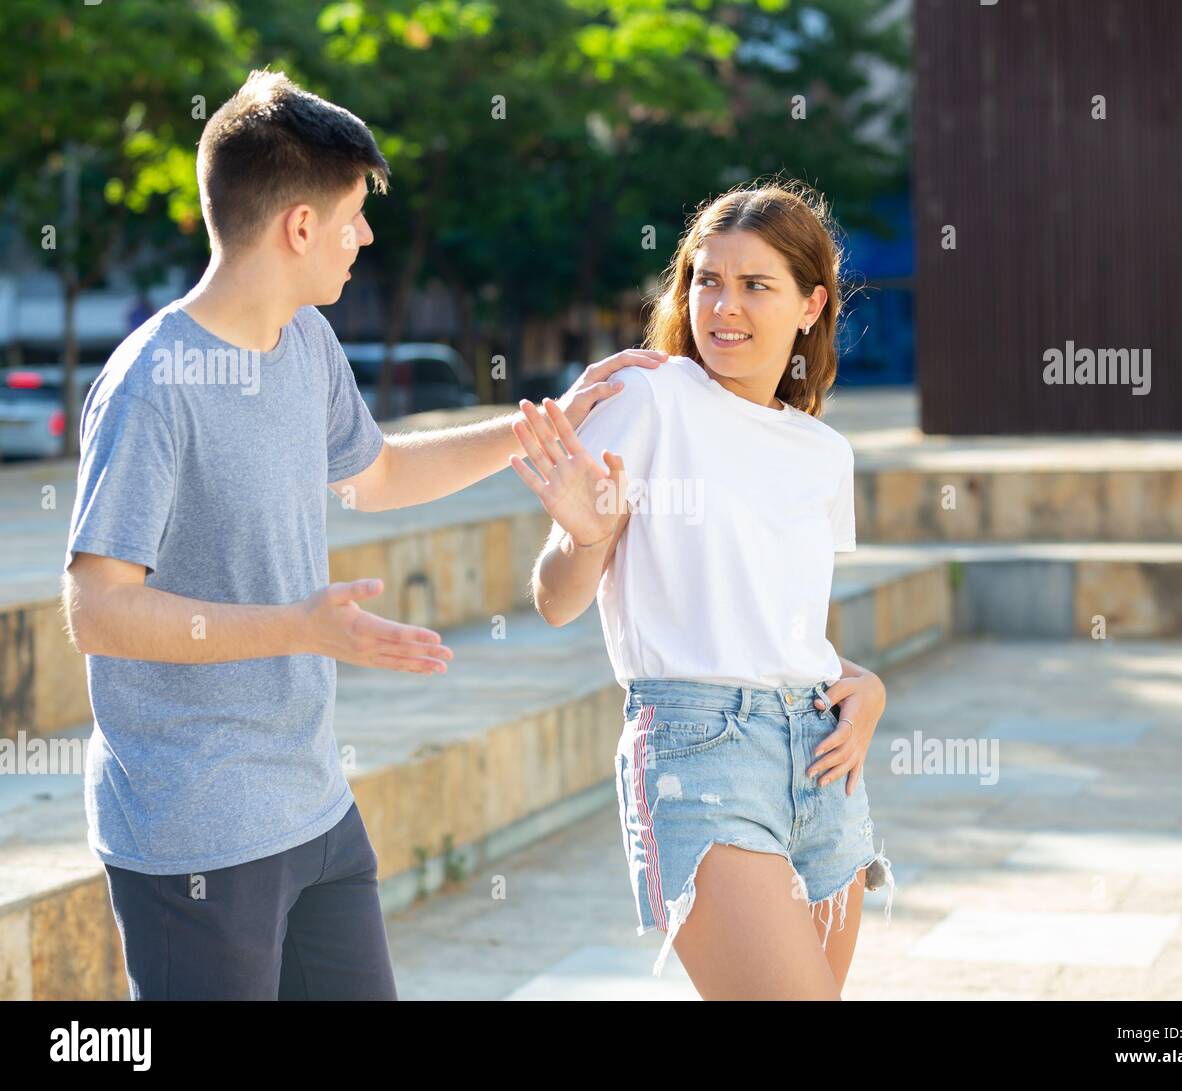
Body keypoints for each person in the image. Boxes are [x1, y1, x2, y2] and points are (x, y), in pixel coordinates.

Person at [60, 68, 665, 1000]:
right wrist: (299, 626)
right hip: (195, 831)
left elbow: (375, 472)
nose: (366, 236)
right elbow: (97, 609)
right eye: (353, 217)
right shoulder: (154, 384)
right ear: (300, 226)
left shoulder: (304, 340)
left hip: (314, 808)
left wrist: (537, 427)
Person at [509, 179, 896, 1000]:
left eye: (756, 284)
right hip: (699, 750)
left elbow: (784, 633)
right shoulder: (649, 398)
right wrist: (589, 535)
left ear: (810, 303)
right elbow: (554, 599)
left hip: (823, 761)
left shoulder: (824, 452)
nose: (722, 304)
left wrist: (867, 687)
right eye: (705, 278)